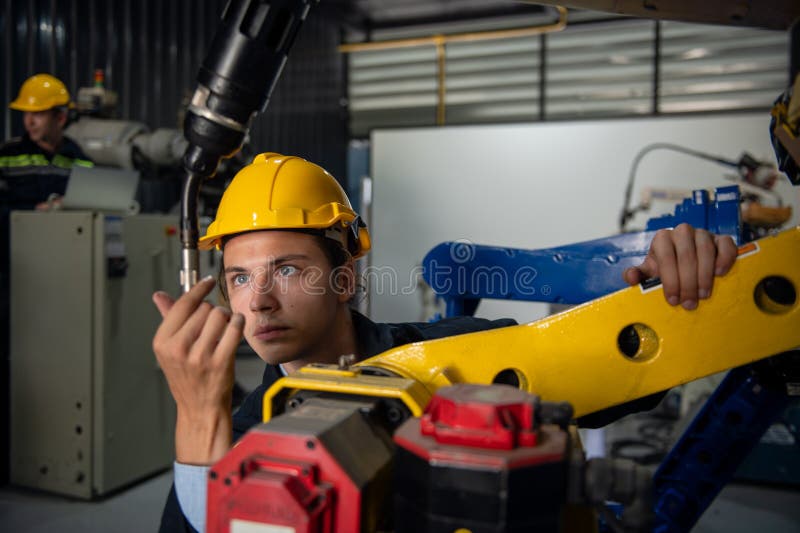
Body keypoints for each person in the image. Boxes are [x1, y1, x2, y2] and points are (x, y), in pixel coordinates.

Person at [154, 152, 738, 532]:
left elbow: (613, 377)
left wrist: (677, 291)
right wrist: (197, 420)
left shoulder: (456, 358)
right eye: (238, 277)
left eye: (286, 270)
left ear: (345, 278)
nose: (257, 301)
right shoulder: (236, 431)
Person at [0, 73, 93, 209]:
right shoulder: (7, 154)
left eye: (38, 114)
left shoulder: (81, 161)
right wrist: (36, 211)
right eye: (26, 113)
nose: (29, 122)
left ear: (60, 119)